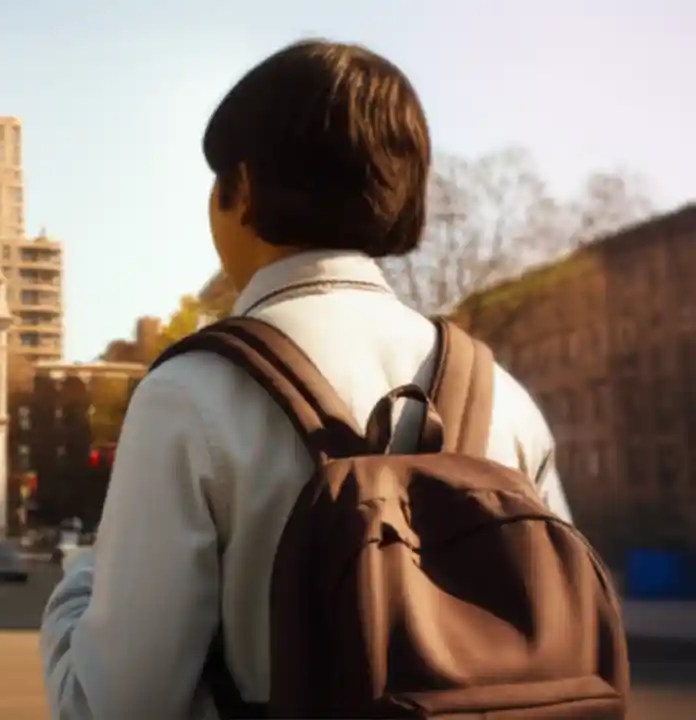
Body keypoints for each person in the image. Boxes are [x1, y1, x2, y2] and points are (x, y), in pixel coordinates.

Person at [39, 39, 572, 719]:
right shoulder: (505, 400)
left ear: (243, 188)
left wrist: (81, 586)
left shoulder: (192, 394)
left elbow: (115, 707)